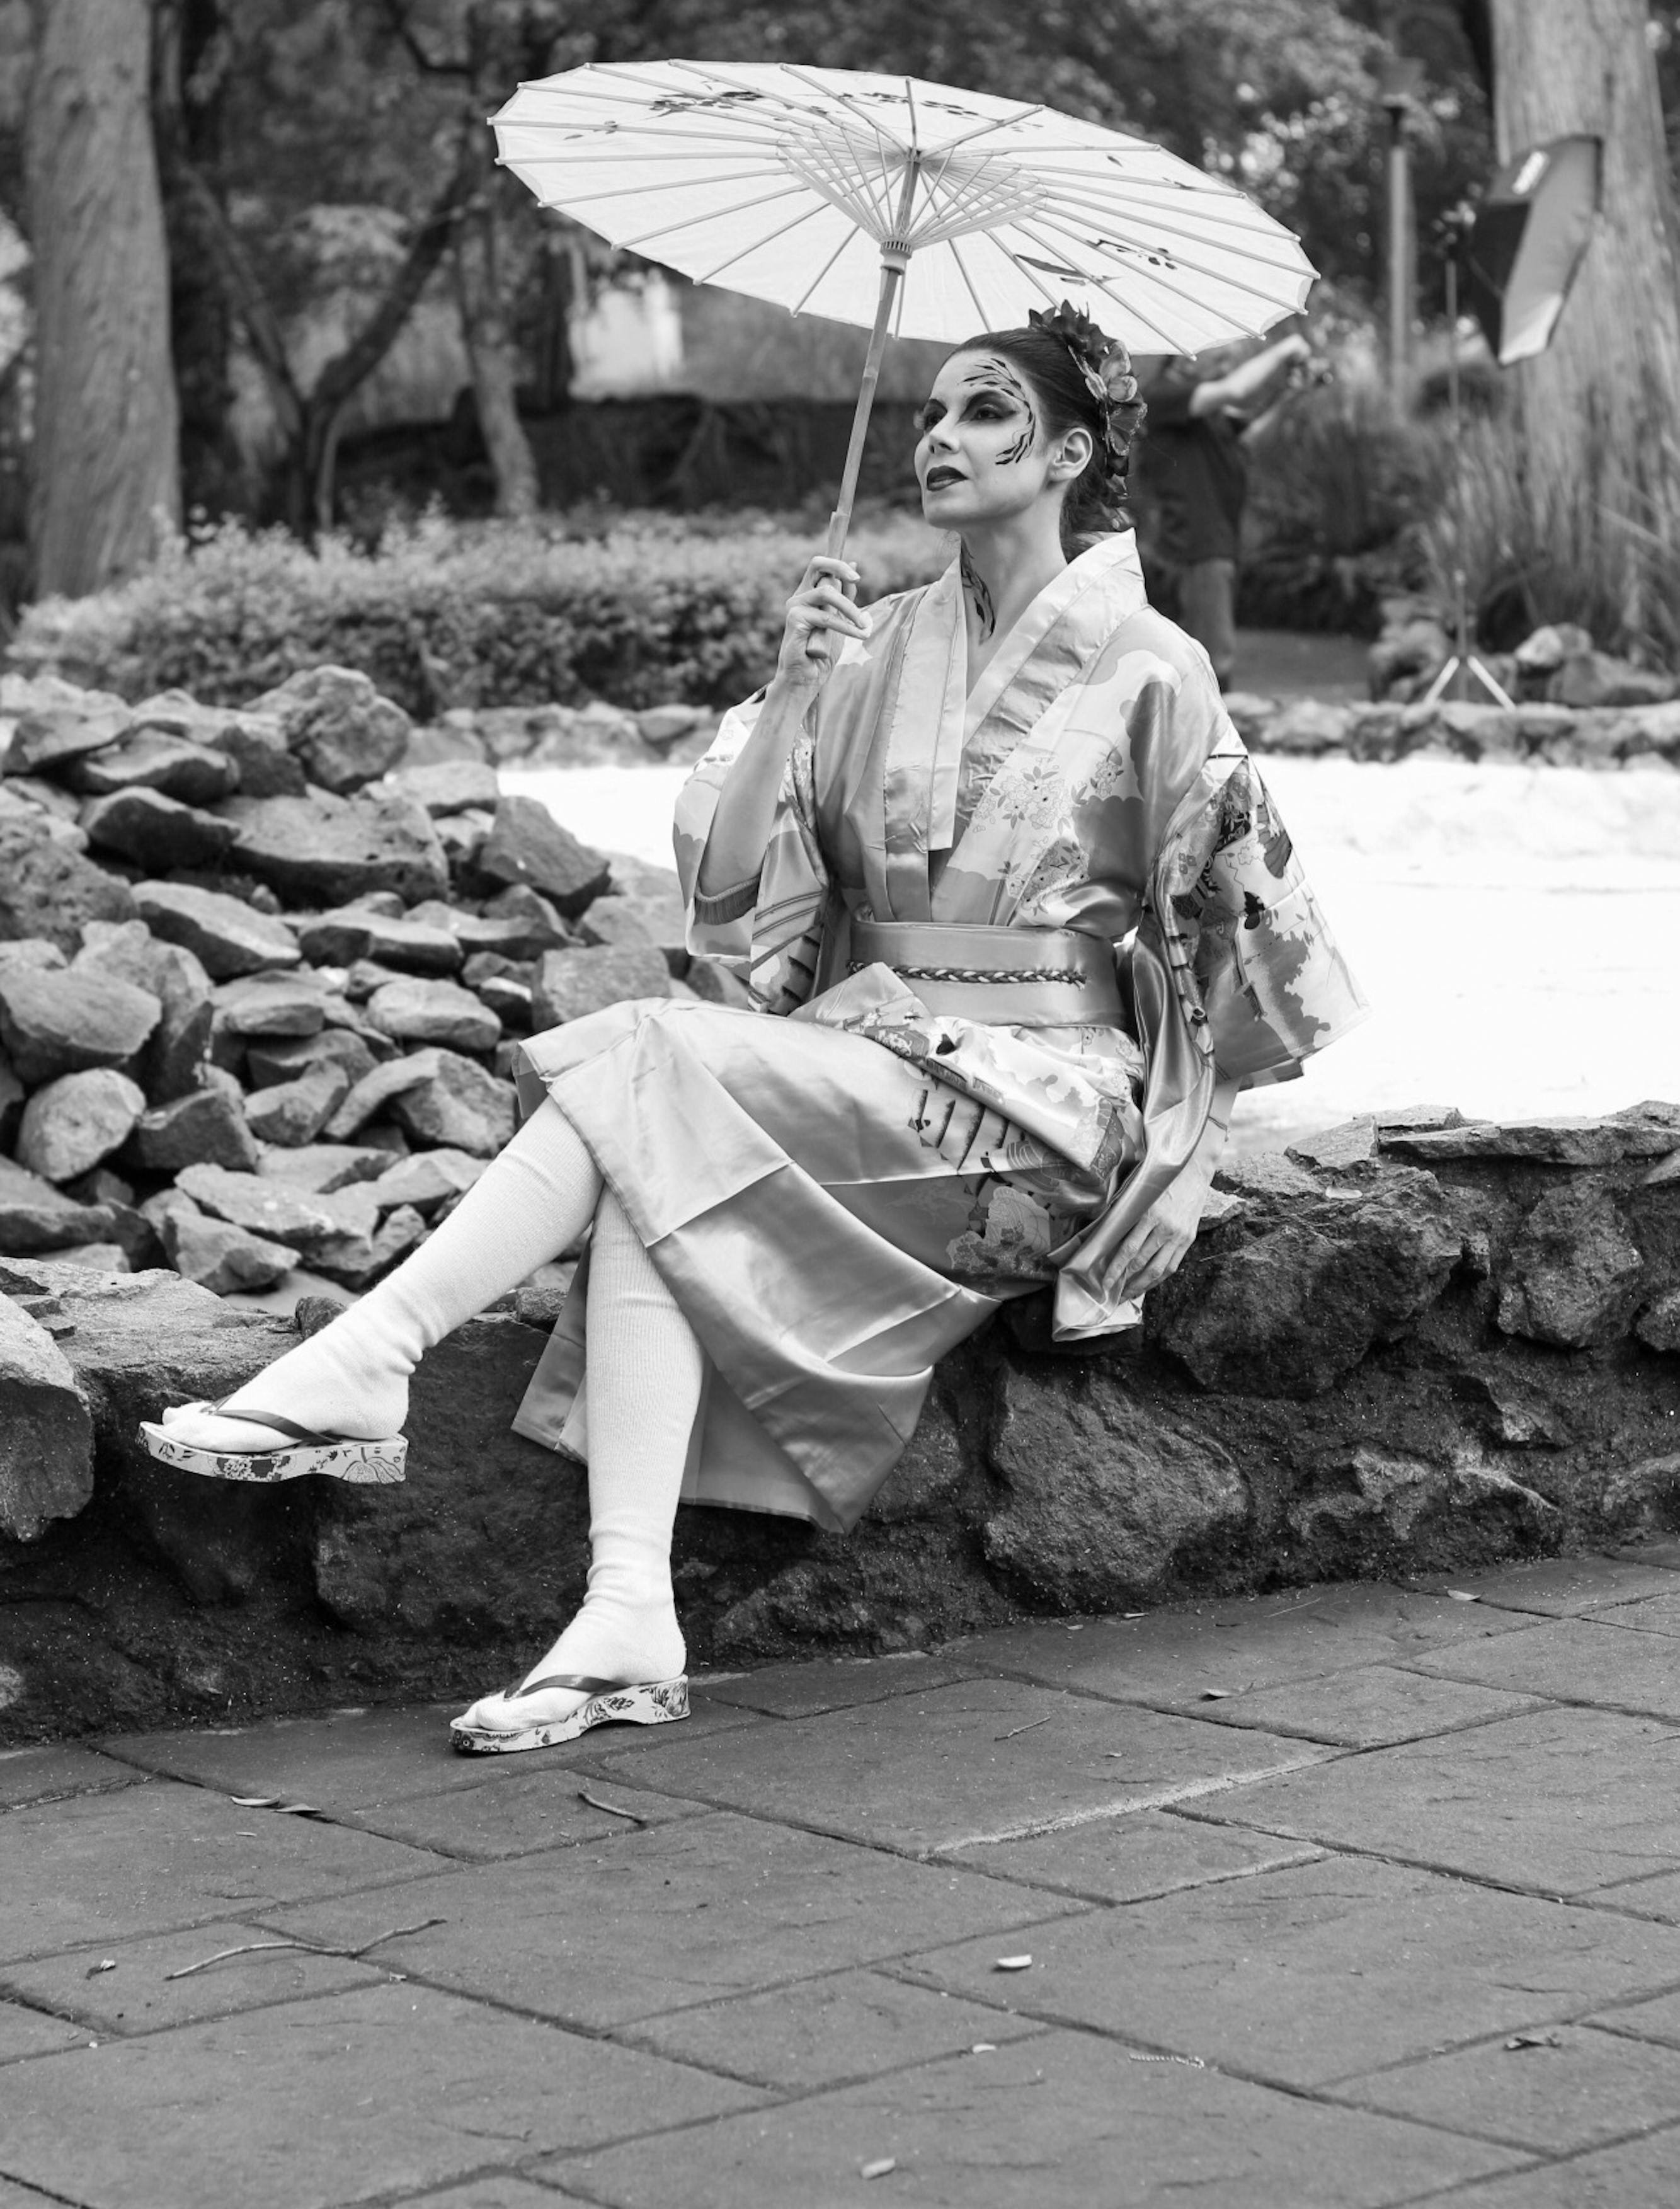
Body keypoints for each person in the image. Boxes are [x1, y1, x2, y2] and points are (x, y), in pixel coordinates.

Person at [142, 302, 1365, 1758]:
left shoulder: (1158, 665)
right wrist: (792, 694)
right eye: (930, 411)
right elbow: (735, 905)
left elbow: (1246, 932)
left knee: (655, 1064)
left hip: (1042, 1113)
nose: (940, 438)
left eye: (986, 414)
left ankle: (383, 1345)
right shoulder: (875, 644)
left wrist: (1181, 1136)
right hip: (875, 1063)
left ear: (1073, 453)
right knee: (655, 1173)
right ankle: (624, 1611)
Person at [1133, 329, 1315, 687]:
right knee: (1211, 667)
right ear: (1188, 358)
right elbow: (1236, 391)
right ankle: (1215, 740)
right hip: (1197, 546)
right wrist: (1285, 350)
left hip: (1215, 545)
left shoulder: (1204, 413)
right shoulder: (1162, 397)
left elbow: (1248, 436)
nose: (1228, 366)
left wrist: (1291, 395)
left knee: (1205, 661)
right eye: (1221, 358)